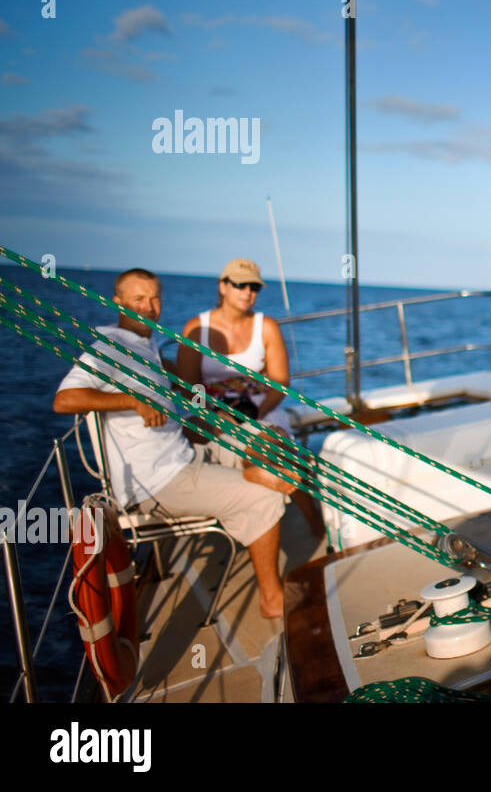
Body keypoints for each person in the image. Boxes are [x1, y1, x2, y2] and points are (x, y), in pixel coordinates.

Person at [53, 268, 289, 619]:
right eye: (138, 299)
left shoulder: (142, 344)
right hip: (159, 480)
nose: (148, 307)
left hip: (182, 452)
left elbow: (173, 378)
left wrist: (208, 402)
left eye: (154, 298)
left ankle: (259, 474)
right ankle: (273, 598)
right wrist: (132, 400)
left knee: (265, 436)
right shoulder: (110, 349)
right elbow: (64, 400)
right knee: (266, 494)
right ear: (117, 302)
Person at [176, 258, 324, 536]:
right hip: (212, 409)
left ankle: (310, 517)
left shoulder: (266, 326)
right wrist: (209, 413)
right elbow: (189, 386)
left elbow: (280, 384)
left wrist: (253, 413)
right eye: (240, 285)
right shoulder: (196, 327)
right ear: (223, 286)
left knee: (277, 439)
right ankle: (253, 482)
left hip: (261, 407)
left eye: (254, 287)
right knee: (193, 435)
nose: (247, 292)